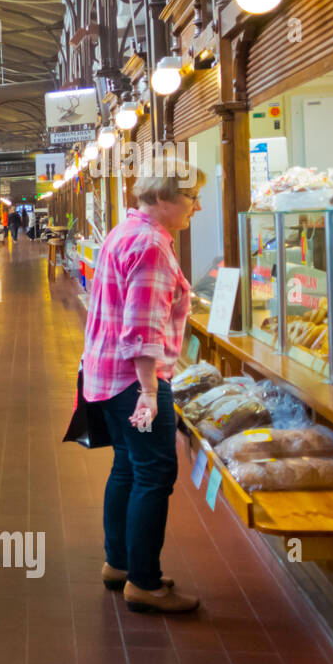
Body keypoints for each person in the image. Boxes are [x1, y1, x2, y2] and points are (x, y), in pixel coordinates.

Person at [80, 166, 205, 614]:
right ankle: (145, 583)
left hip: (106, 376)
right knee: (154, 475)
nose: (197, 208)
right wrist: (150, 393)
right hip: (136, 382)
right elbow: (141, 330)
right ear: (168, 197)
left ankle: (120, 564)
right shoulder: (151, 245)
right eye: (193, 199)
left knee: (128, 468)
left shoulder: (124, 231)